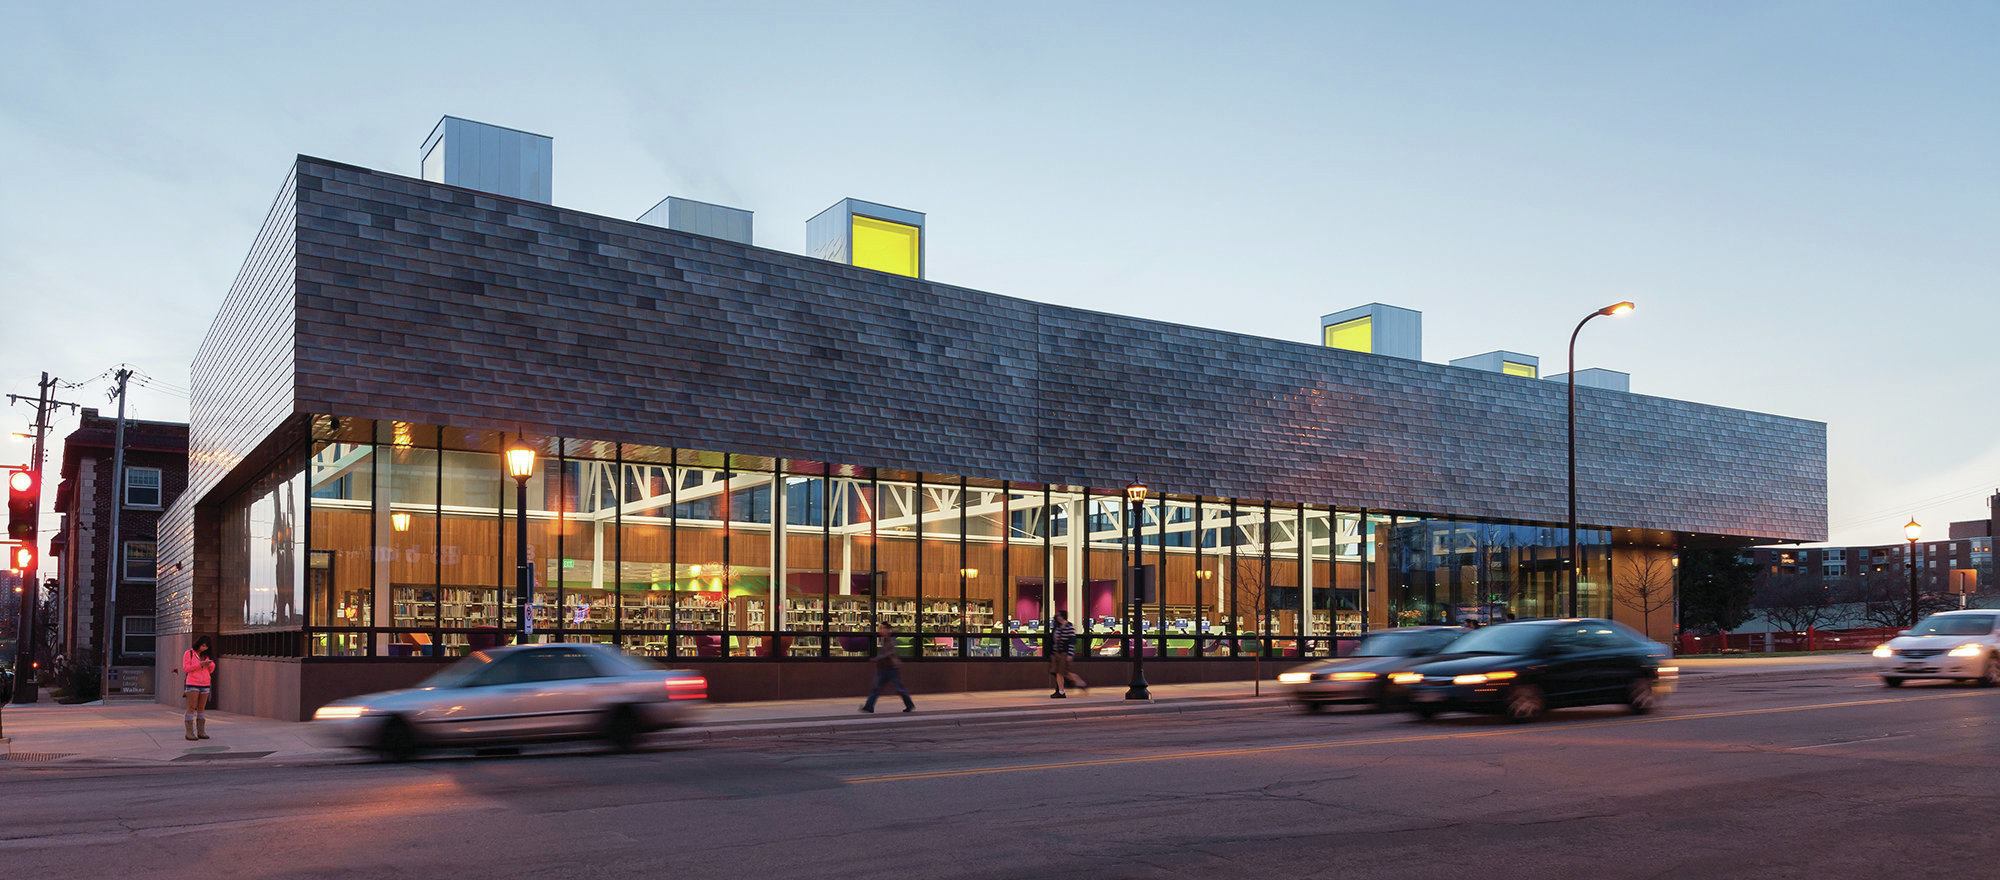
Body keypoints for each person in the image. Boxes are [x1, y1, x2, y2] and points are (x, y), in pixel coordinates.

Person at [860, 624, 913, 714]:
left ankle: (909, 705)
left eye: (883, 628)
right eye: (880, 628)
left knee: (899, 688)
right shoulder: (884, 640)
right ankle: (869, 706)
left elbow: (889, 653)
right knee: (876, 688)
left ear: (888, 630)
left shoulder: (892, 640)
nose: (881, 630)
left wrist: (877, 658)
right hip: (883, 668)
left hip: (891, 668)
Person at [177, 636, 217, 741]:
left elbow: (211, 670)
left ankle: (201, 731)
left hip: (205, 684)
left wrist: (210, 664)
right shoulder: (189, 653)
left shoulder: (206, 655)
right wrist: (200, 664)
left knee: (201, 708)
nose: (204, 648)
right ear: (199, 643)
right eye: (203, 645)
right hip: (192, 683)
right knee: (191, 707)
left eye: (206, 646)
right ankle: (189, 732)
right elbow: (186, 668)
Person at [1048, 609, 1088, 698]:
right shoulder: (1058, 627)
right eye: (1057, 616)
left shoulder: (1069, 626)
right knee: (1060, 672)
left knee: (1062, 672)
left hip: (1064, 653)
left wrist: (1070, 654)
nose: (1057, 617)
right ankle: (1062, 691)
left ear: (1063, 616)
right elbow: (1054, 640)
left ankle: (1067, 689)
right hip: (1057, 653)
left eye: (1059, 616)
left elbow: (1072, 641)